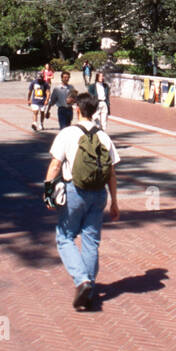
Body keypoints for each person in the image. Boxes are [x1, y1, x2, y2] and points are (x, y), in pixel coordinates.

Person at [45, 92, 120, 311]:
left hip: (75, 191)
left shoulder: (68, 133)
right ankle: (89, 288)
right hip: (99, 194)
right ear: (95, 110)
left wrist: (48, 192)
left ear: (77, 109)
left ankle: (82, 281)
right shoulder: (104, 136)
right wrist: (114, 201)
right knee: (91, 240)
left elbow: (55, 165)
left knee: (65, 237)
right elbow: (112, 173)